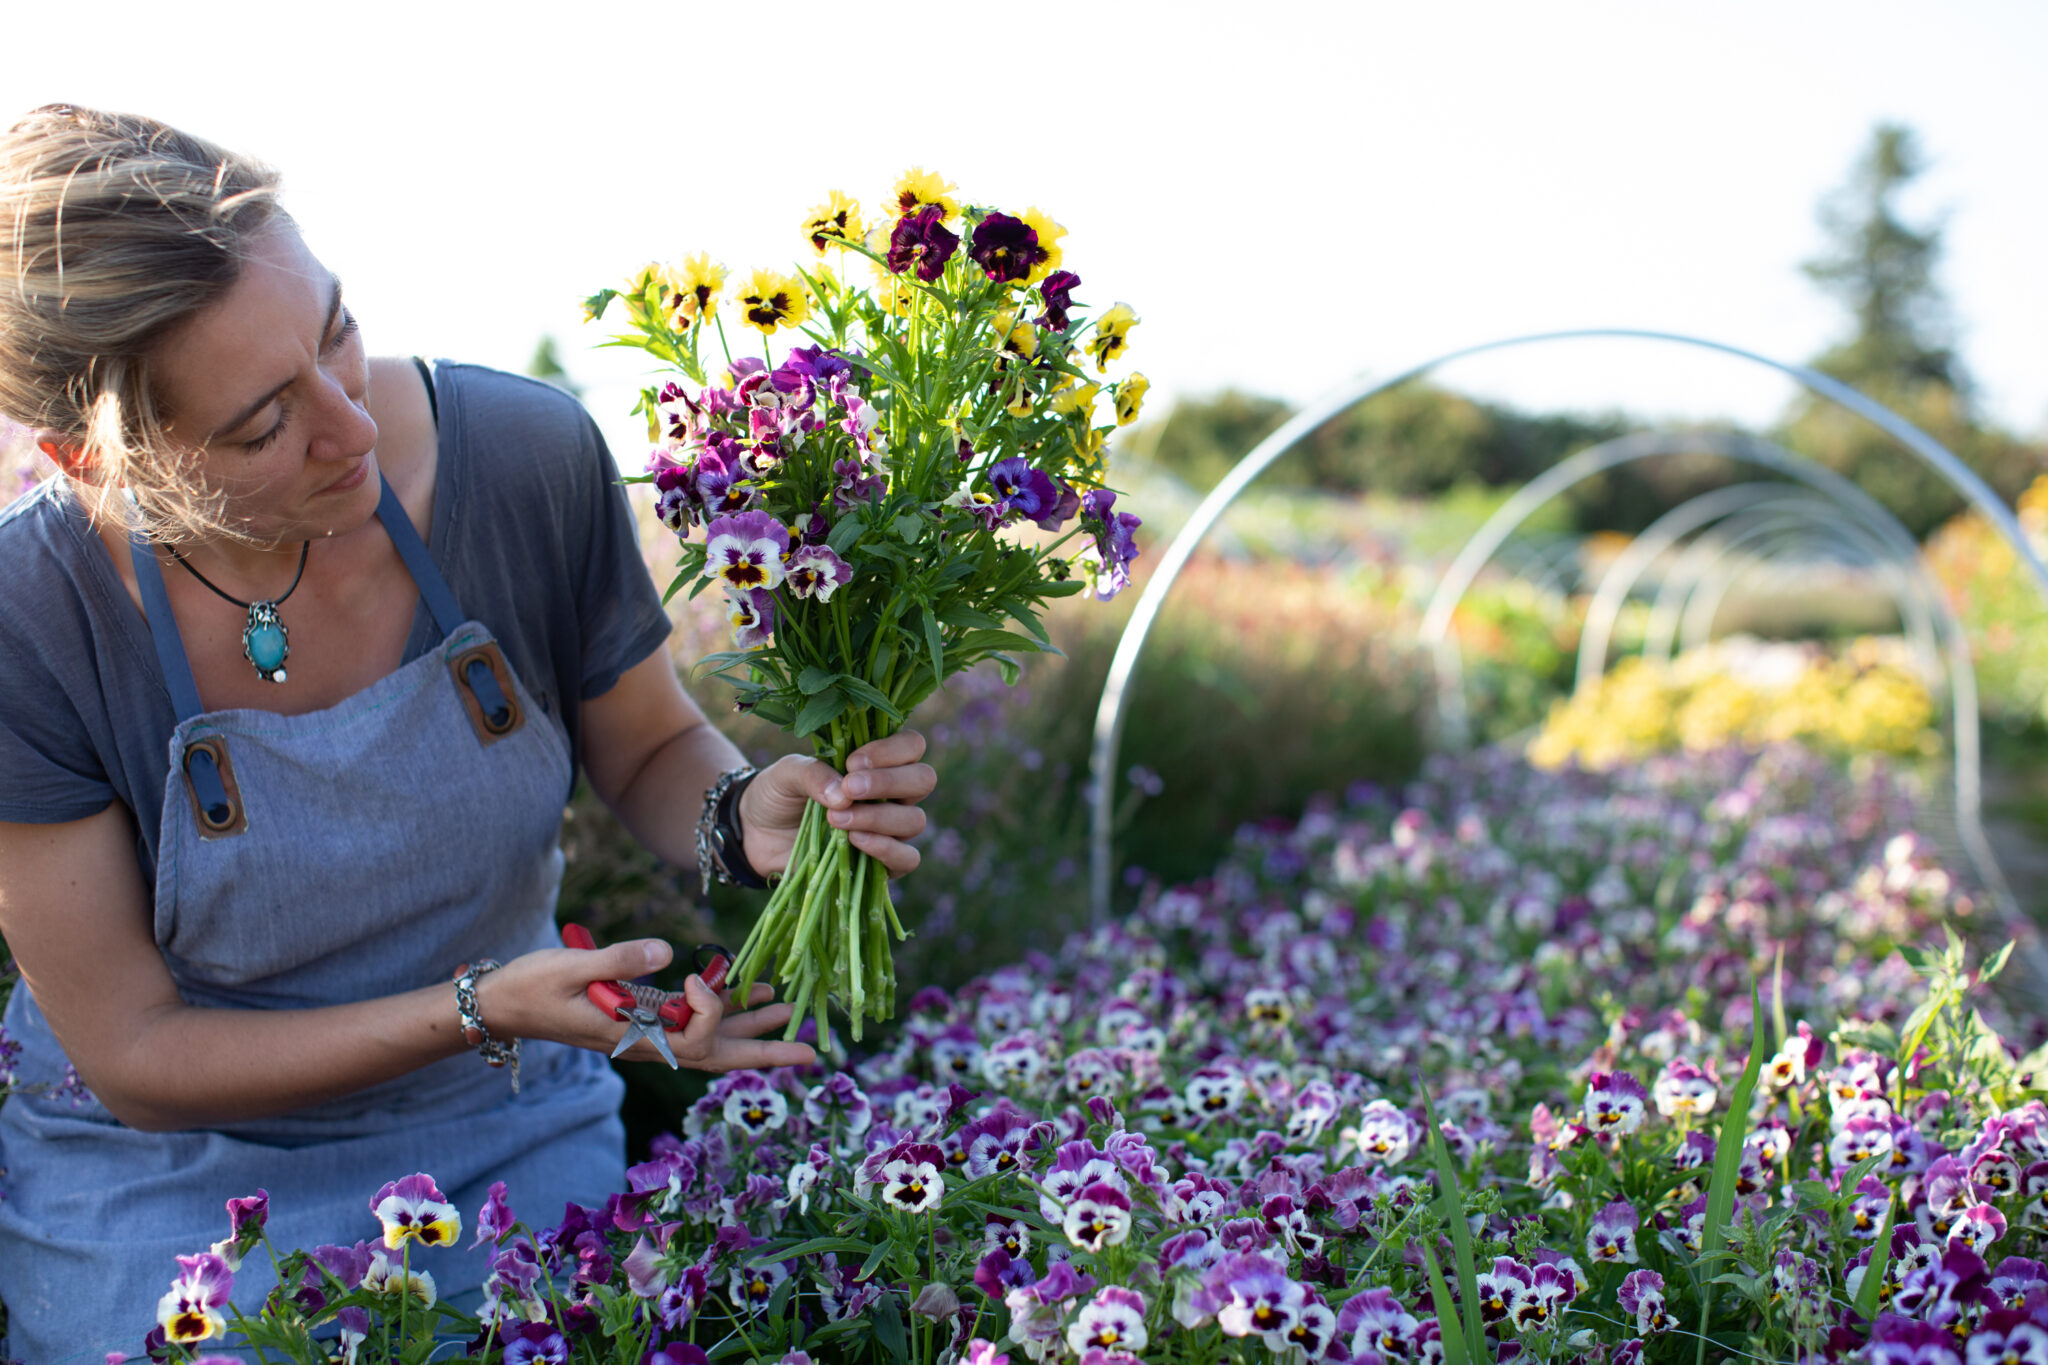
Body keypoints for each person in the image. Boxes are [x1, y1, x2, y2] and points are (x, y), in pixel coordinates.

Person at [0, 104, 936, 1360]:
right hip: (163, 1184)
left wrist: (743, 809)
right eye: (265, 423)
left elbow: (649, 747)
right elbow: (138, 1054)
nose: (356, 427)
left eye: (339, 333)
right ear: (88, 460)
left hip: (501, 1123)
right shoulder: (31, 615)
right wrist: (481, 1002)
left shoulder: (523, 456)